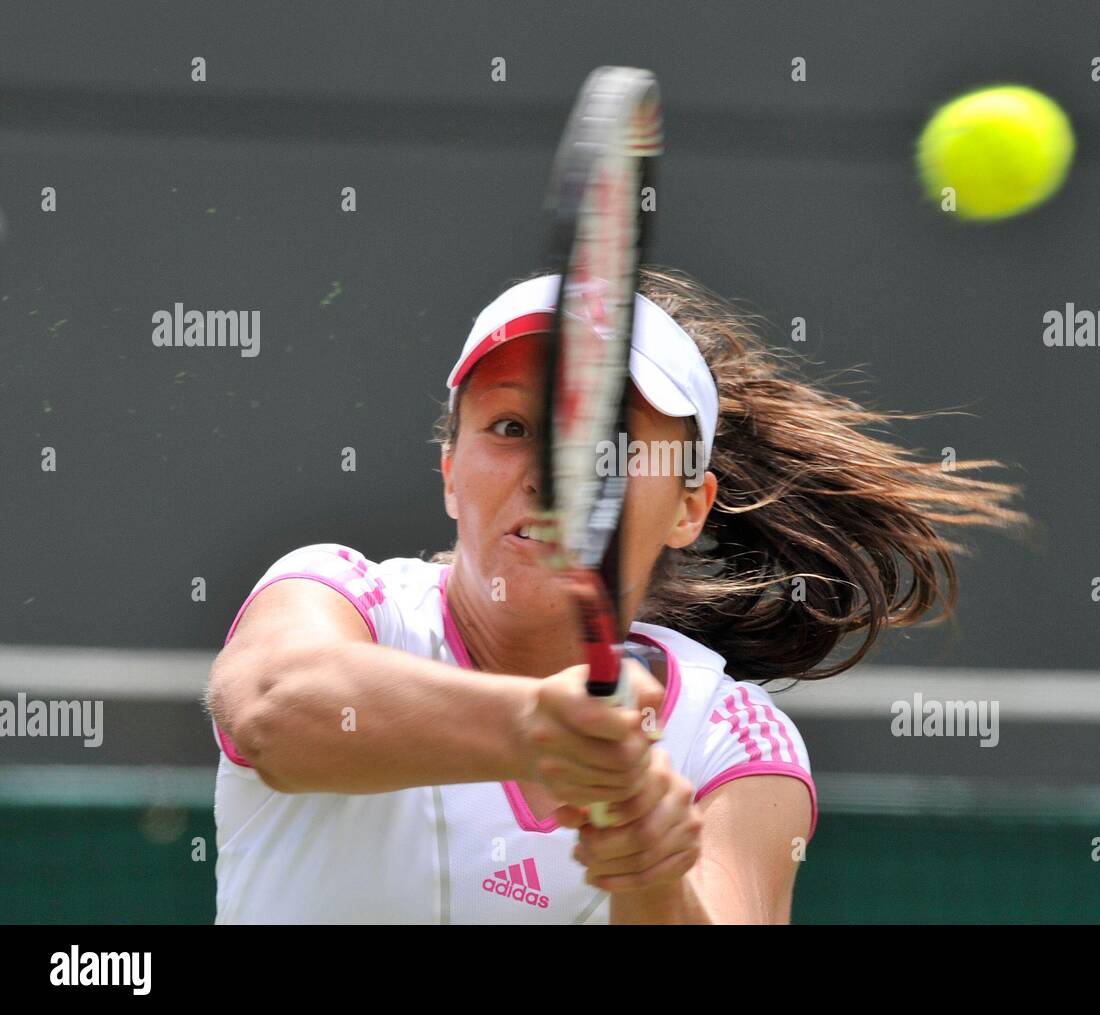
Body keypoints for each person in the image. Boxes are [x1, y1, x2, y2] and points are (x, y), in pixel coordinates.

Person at [206, 267, 1025, 924]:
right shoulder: (344, 597)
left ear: (688, 506)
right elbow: (273, 709)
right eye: (512, 428)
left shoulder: (729, 743)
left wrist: (653, 874)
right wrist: (534, 728)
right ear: (451, 472)